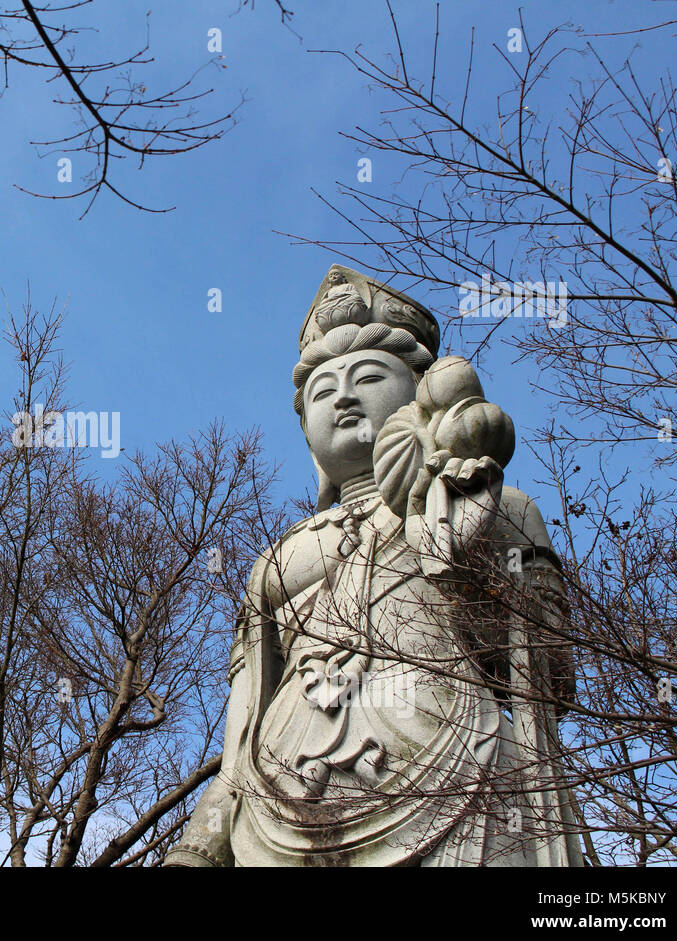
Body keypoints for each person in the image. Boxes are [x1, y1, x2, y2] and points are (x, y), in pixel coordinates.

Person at [164, 265, 583, 866]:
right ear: (306, 431)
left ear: (420, 394)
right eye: (322, 390)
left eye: (368, 376)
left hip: (462, 770)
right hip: (279, 800)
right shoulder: (278, 560)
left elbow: (552, 676)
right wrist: (202, 841)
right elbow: (243, 726)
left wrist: (462, 557)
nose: (342, 396)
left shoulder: (494, 501)